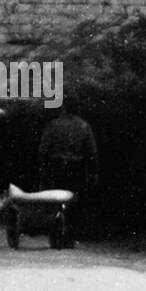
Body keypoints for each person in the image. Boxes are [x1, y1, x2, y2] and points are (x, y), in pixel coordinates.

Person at [38, 96, 99, 244]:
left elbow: (43, 150)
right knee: (75, 200)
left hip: (55, 165)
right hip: (76, 167)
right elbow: (91, 152)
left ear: (63, 107)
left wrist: (43, 169)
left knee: (53, 199)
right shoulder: (84, 126)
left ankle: (54, 231)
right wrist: (93, 172)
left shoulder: (52, 125)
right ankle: (71, 235)